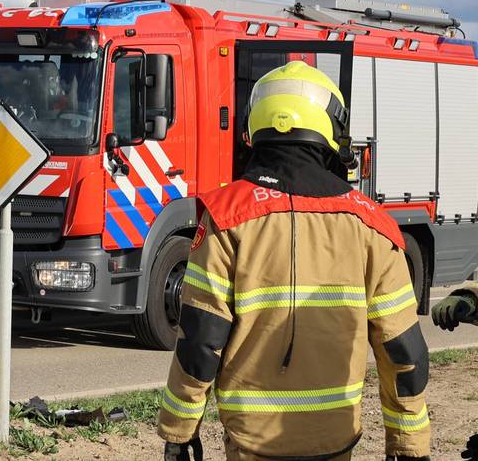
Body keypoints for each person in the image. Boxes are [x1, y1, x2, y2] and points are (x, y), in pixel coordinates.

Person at [157, 61, 431, 461]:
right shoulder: (374, 226)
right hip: (335, 438)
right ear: (331, 131)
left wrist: (178, 433)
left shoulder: (225, 219)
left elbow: (199, 341)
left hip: (250, 441)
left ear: (256, 129)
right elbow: (404, 351)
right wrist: (408, 445)